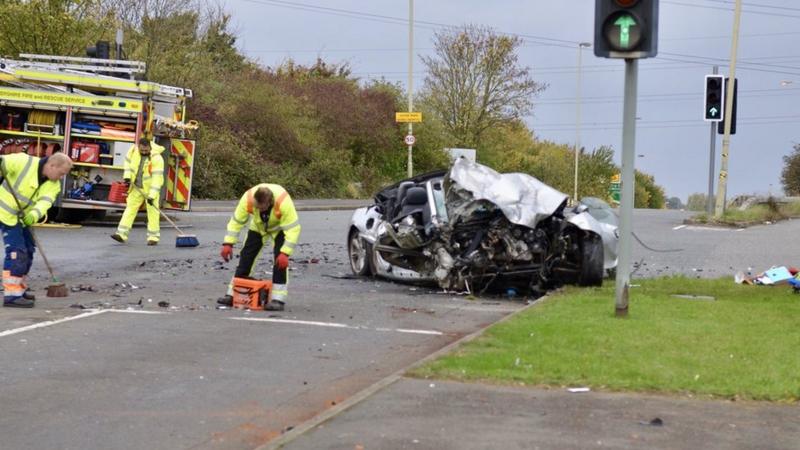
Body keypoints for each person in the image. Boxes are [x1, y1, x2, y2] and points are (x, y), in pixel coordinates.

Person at [0, 152, 72, 308]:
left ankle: (19, 288)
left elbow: (45, 202)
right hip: (4, 212)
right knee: (16, 252)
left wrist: (34, 215)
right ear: (52, 165)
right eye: (61, 173)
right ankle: (12, 296)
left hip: (22, 217)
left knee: (29, 250)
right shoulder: (24, 161)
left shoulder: (54, 185)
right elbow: (4, 162)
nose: (61, 177)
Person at [217, 184, 301, 311]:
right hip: (258, 226)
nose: (259, 210)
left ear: (270, 202)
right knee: (246, 257)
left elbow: (293, 229)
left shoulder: (283, 202)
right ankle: (234, 294)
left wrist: (285, 253)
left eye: (262, 208)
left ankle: (278, 299)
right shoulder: (248, 198)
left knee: (280, 262)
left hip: (279, 228)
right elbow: (236, 221)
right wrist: (228, 243)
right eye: (257, 208)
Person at [111, 137, 165, 245]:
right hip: (136, 188)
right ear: (138, 147)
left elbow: (157, 178)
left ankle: (153, 238)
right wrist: (127, 177)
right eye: (142, 150)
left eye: (146, 150)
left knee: (153, 213)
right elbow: (127, 164)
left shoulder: (157, 158)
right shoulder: (132, 151)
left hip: (150, 189)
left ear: (150, 147)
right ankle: (121, 234)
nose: (144, 152)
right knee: (130, 209)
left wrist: (152, 196)